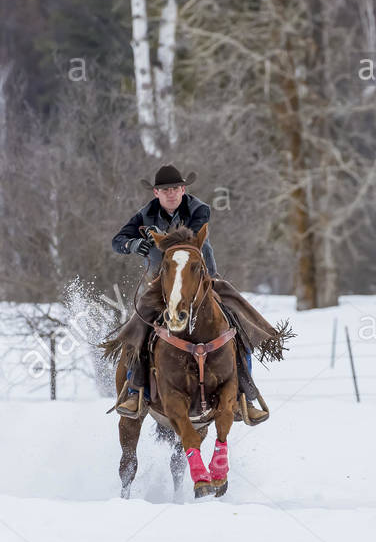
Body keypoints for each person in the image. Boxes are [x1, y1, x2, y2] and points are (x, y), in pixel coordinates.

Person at [108, 164, 280, 424]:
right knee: (138, 327)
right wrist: (133, 243)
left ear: (183, 189)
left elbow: (186, 241)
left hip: (204, 280)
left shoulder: (199, 209)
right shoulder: (144, 214)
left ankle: (245, 397)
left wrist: (155, 239)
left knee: (238, 325)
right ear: (155, 193)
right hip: (162, 285)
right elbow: (117, 240)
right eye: (165, 190)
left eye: (175, 188)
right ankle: (136, 393)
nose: (171, 194)